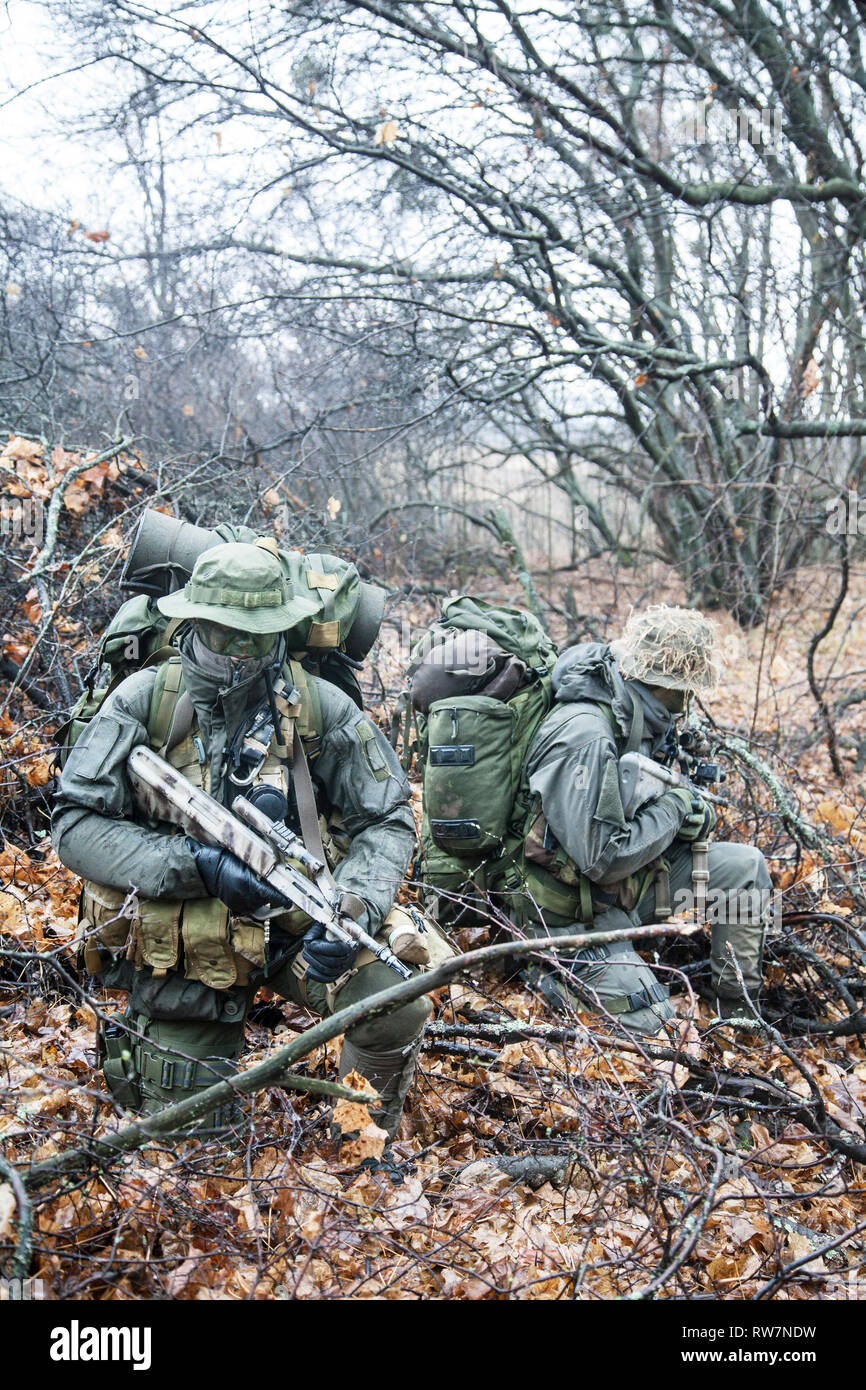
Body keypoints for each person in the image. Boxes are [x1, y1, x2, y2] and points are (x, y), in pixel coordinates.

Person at [52, 540, 430, 1147]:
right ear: (194, 622)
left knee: (394, 1000)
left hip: (290, 923)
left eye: (255, 638)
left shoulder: (318, 705)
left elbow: (385, 818)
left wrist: (354, 907)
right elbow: (74, 826)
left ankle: (359, 1148)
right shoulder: (146, 699)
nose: (238, 652)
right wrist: (195, 865)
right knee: (191, 1149)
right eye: (222, 632)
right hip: (185, 940)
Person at [516, 604, 771, 1033]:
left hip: (621, 891)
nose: (689, 701)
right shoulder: (586, 734)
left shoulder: (639, 714)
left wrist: (692, 813)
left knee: (744, 869)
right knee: (658, 1028)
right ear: (661, 683)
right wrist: (674, 810)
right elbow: (602, 859)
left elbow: (647, 799)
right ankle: (540, 969)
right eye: (685, 689)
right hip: (563, 913)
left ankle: (739, 1017)